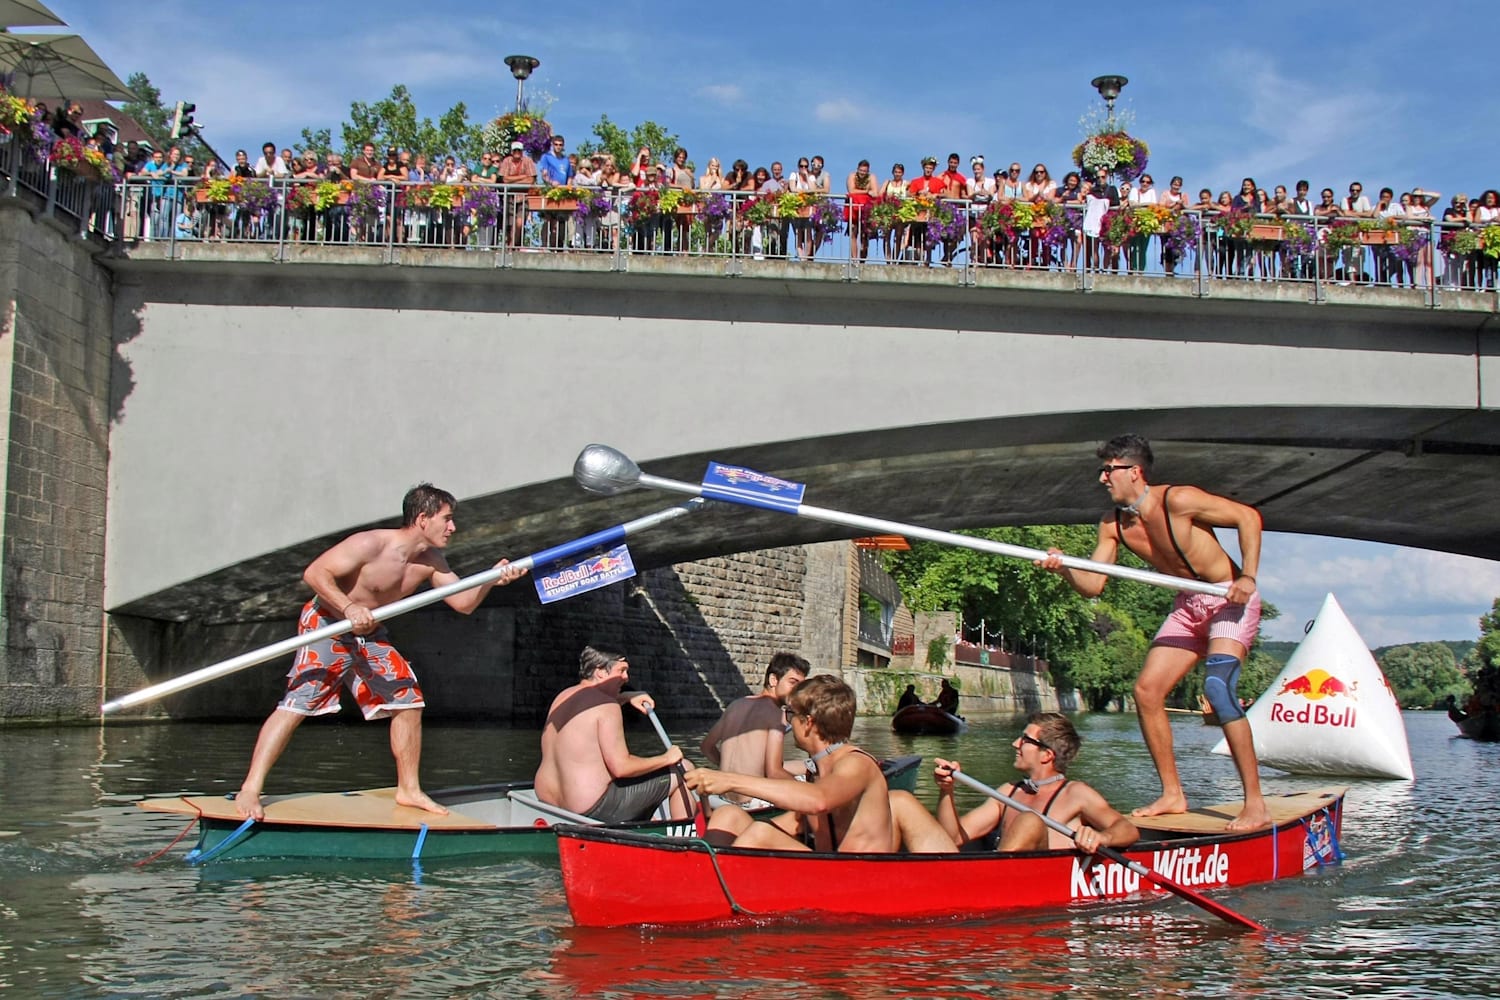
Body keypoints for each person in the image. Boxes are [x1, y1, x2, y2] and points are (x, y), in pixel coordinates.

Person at [234, 484, 526, 821]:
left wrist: (491, 579)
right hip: (328, 622)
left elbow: (462, 603)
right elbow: (315, 573)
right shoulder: (369, 544)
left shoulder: (432, 561)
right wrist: (346, 607)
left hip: (370, 632)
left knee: (408, 700)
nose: (453, 528)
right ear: (422, 519)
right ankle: (251, 788)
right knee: (299, 702)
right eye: (447, 519)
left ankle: (409, 790)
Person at [1036, 434, 1271, 831]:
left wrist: (1247, 575)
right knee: (1146, 691)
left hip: (1229, 599)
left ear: (1135, 472)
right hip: (1189, 606)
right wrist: (1065, 569)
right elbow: (1094, 586)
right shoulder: (1113, 525)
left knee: (1217, 689)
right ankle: (1172, 793)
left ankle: (1255, 804)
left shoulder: (1177, 500)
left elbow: (1248, 517)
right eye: (1102, 471)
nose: (1102, 479)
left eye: (1108, 471)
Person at [684, 674, 896, 852]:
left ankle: (712, 890)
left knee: (761, 834)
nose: (786, 721)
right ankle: (700, 878)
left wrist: (730, 780)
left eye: (790, 714)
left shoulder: (855, 763)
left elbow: (819, 800)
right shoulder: (818, 770)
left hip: (858, 879)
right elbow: (792, 822)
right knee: (729, 815)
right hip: (827, 870)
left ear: (808, 723)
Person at [931, 714, 1138, 854]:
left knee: (1029, 820)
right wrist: (947, 791)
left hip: (1031, 883)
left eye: (1024, 740)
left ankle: (990, 883)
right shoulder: (1008, 792)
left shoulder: (1076, 794)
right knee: (901, 801)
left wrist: (1101, 837)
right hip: (991, 880)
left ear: (1046, 755)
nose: (1015, 744)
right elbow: (952, 838)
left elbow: (1127, 829)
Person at [533, 646, 694, 822]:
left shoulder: (563, 697)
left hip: (550, 803)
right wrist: (667, 758)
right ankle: (684, 842)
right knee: (683, 768)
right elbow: (621, 767)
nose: (626, 678)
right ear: (601, 672)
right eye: (622, 671)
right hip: (593, 809)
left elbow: (589, 714)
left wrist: (625, 697)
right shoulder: (608, 706)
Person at [698, 652, 809, 807]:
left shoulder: (735, 705)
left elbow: (706, 747)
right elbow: (774, 772)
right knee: (807, 780)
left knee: (807, 765)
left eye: (800, 686)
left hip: (724, 798)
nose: (797, 691)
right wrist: (809, 791)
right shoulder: (777, 715)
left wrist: (729, 774)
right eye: (793, 682)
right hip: (750, 801)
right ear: (773, 680)